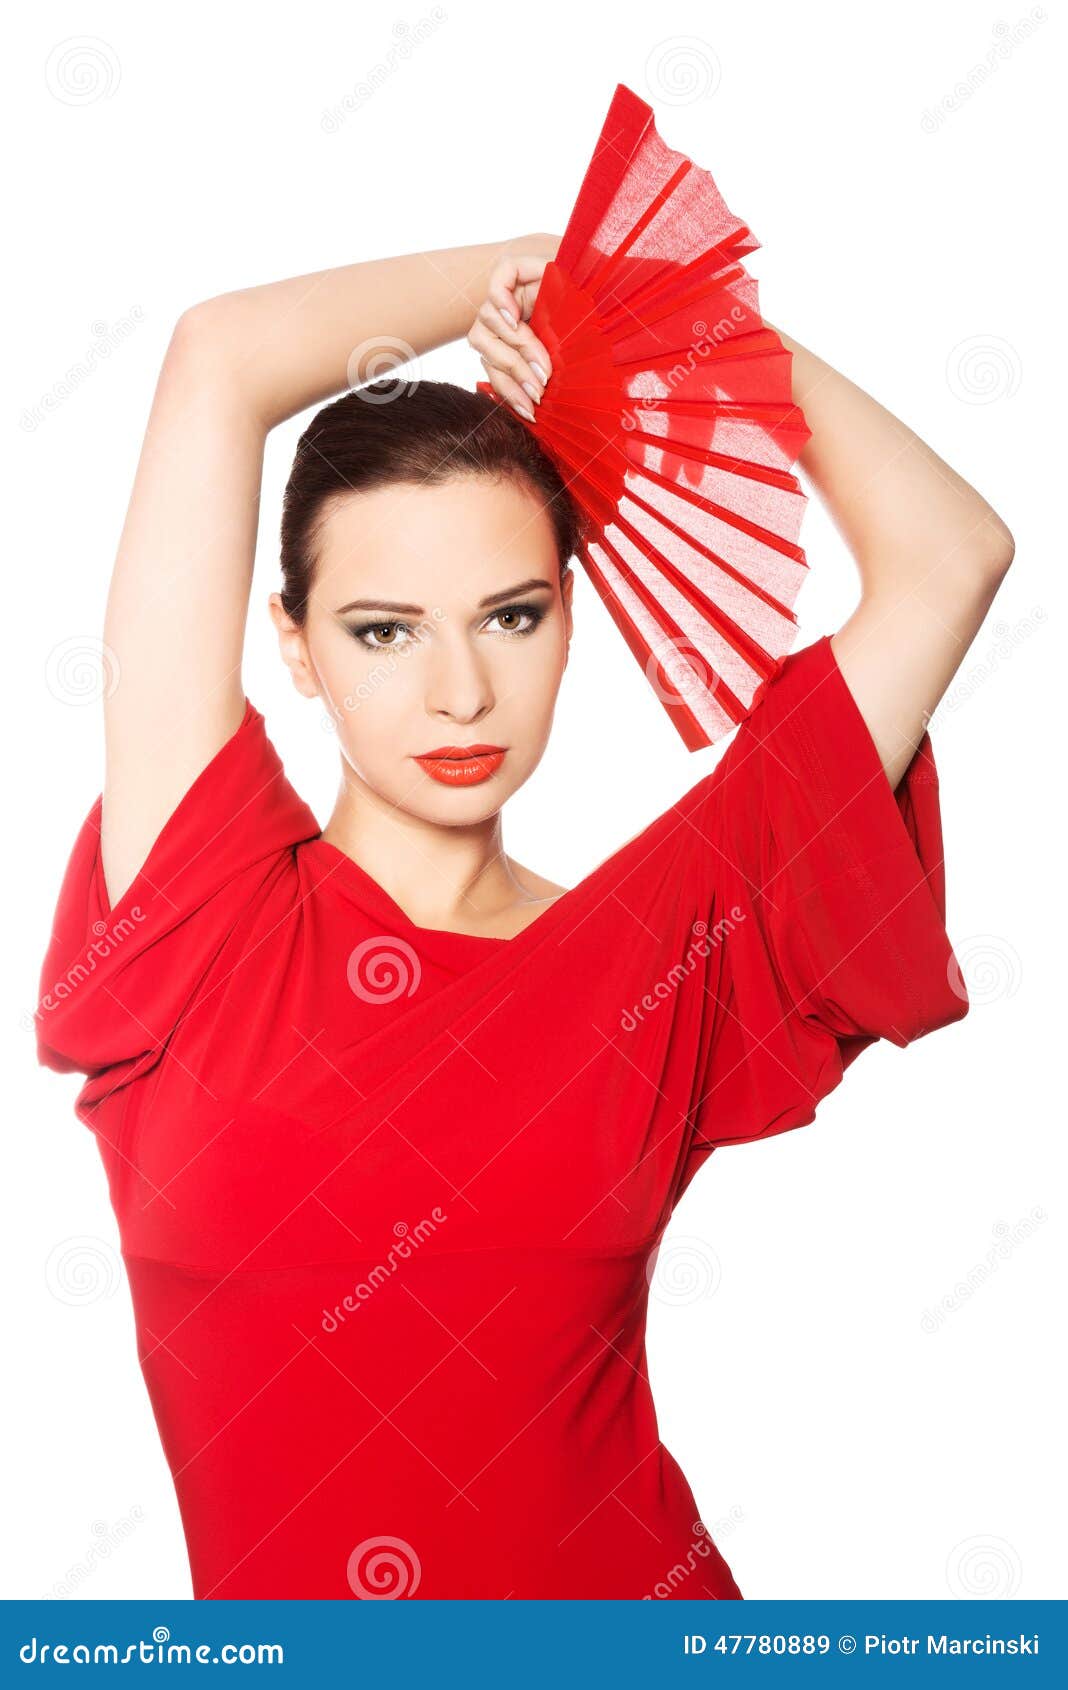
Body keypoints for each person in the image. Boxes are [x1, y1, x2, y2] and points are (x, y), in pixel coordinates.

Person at [34, 234, 1013, 1600]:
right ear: (294, 643)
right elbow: (219, 358)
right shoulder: (193, 910)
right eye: (384, 630)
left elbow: (953, 556)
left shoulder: (662, 951)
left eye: (510, 616)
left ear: (568, 617)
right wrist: (550, 263)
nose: (462, 691)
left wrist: (673, 323)